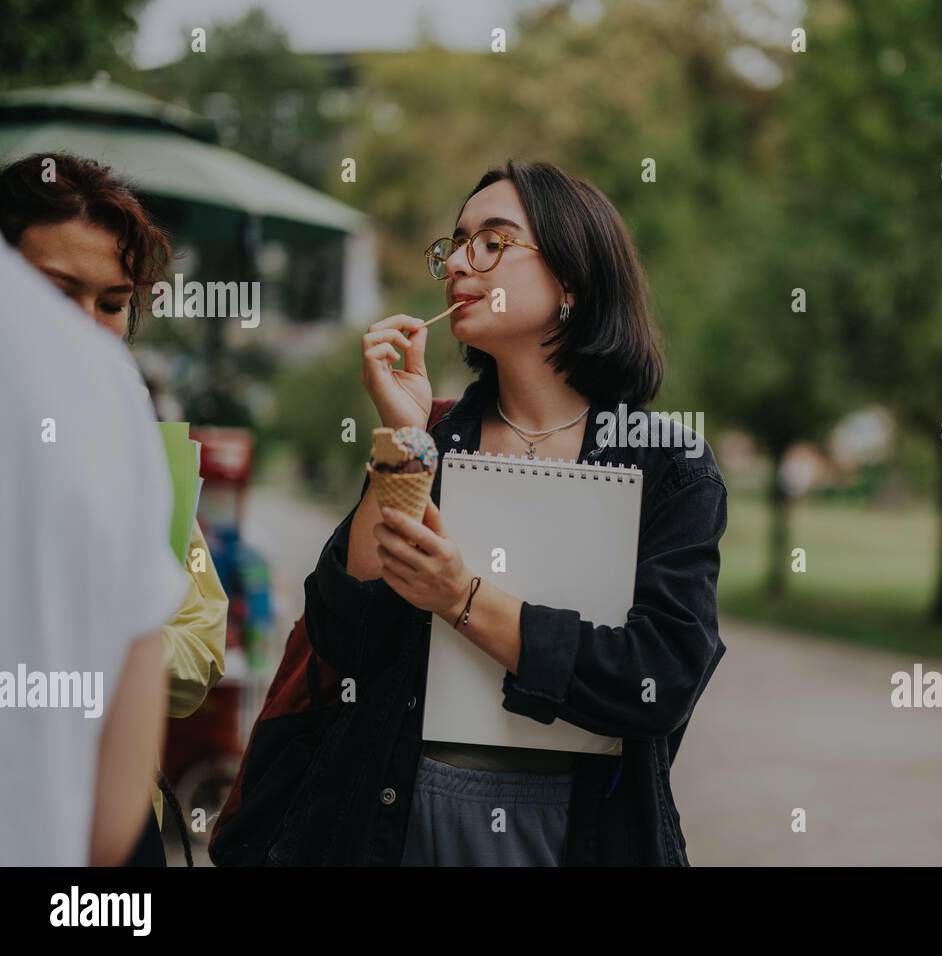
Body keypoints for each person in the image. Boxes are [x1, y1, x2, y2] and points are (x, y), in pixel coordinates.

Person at [277, 159, 727, 865]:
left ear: (573, 281)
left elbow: (659, 678)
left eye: (492, 242)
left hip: (579, 831)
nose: (459, 263)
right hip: (401, 817)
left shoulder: (669, 464)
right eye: (455, 244)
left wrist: (461, 597)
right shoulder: (433, 437)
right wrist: (404, 437)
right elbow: (346, 636)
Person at [0, 152, 229, 863]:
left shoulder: (135, 445)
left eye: (110, 304)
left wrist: (90, 645)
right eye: (54, 295)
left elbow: (201, 645)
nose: (86, 330)